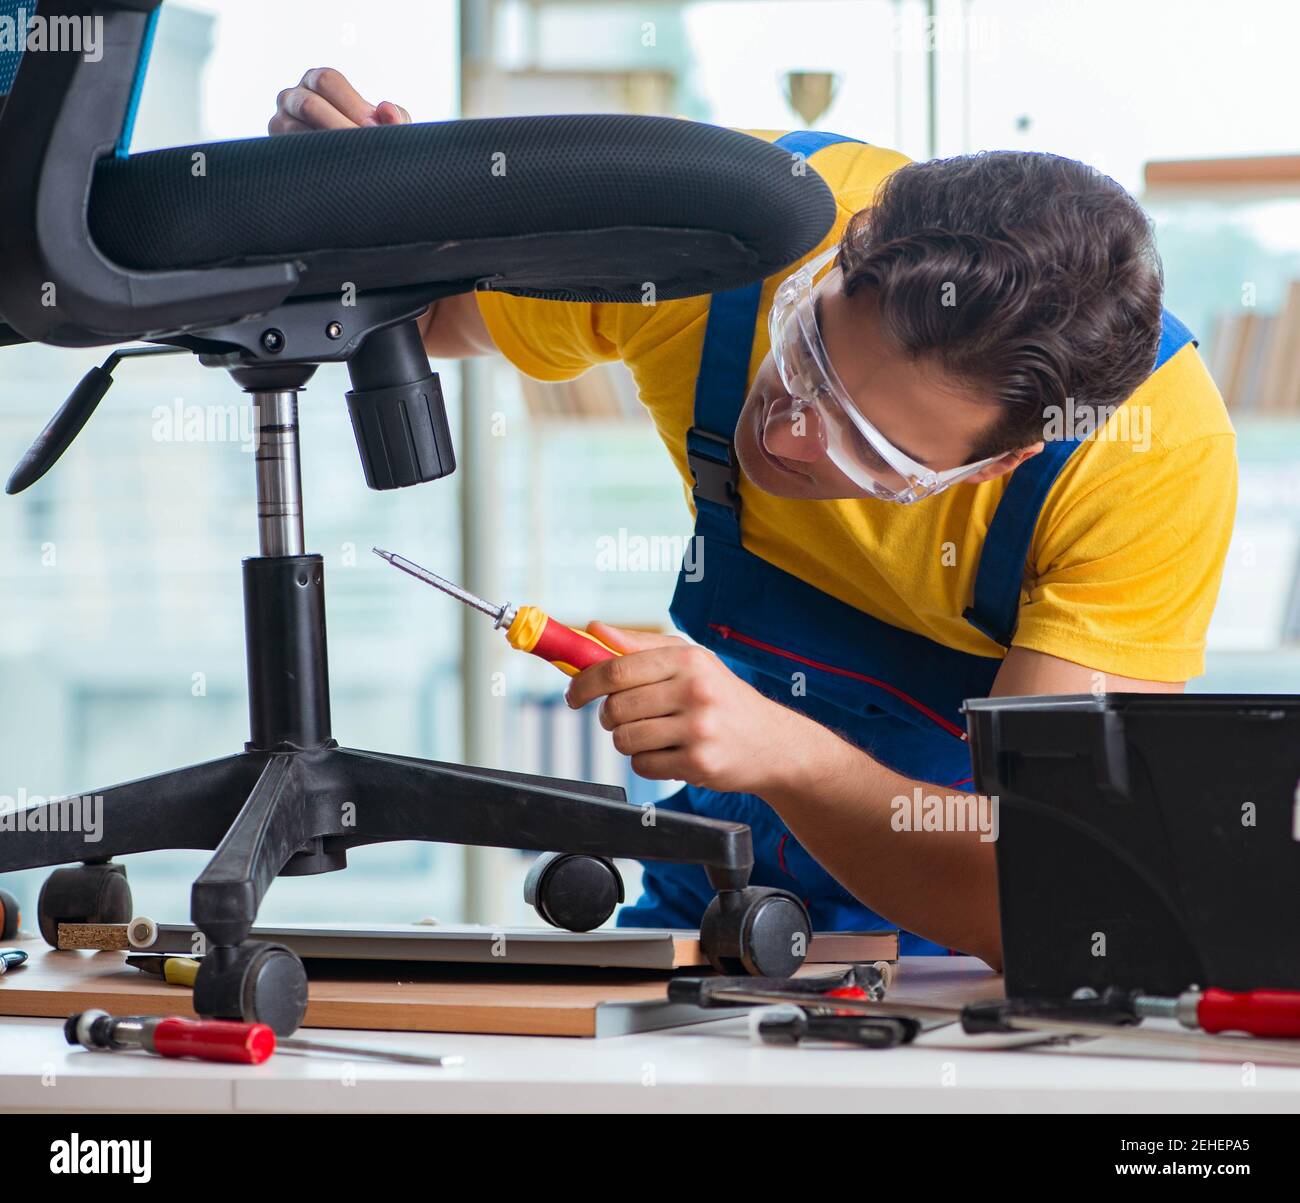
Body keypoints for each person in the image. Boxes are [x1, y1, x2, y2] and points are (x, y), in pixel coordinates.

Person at [270, 70, 1236, 966]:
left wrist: (783, 749)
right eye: (807, 353)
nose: (788, 436)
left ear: (1005, 459)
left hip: (946, 949)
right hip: (717, 891)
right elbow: (427, 310)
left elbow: (1045, 895)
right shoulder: (729, 228)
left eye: (873, 449)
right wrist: (348, 200)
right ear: (843, 256)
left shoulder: (1143, 462)